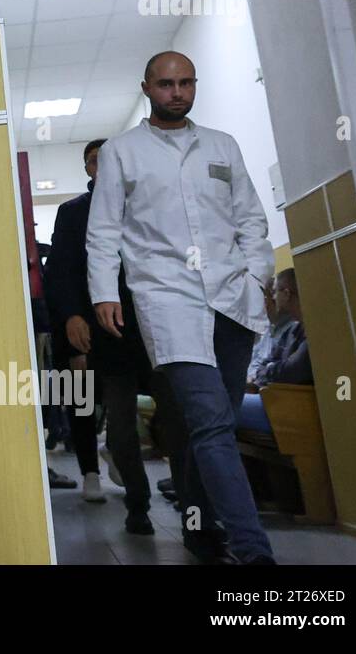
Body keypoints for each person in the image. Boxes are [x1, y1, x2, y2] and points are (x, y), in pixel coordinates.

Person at [88, 51, 276, 565]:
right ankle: (253, 550)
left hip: (232, 299)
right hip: (167, 299)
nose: (178, 92)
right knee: (212, 423)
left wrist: (258, 275)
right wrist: (104, 292)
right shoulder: (122, 152)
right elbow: (103, 230)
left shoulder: (222, 145)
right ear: (147, 88)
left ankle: (198, 526)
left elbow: (251, 219)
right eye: (167, 84)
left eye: (187, 83)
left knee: (212, 425)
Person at [44, 138, 154, 532]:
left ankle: (191, 508)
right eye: (94, 160)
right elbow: (62, 270)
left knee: (172, 415)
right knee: (93, 403)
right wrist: (73, 316)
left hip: (151, 324)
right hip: (99, 326)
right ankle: (111, 485)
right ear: (87, 168)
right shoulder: (74, 212)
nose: (102, 165)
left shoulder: (142, 203)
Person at [237, 268, 312, 434]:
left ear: (286, 294)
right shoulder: (292, 331)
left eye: (275, 292)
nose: (273, 297)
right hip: (274, 398)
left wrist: (270, 369)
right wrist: (271, 370)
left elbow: (294, 370)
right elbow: (265, 365)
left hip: (292, 406)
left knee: (219, 407)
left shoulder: (314, 331)